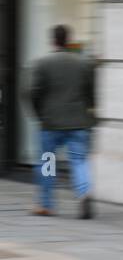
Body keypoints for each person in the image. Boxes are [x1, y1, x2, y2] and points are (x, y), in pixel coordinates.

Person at [27, 24, 95, 218]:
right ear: (68, 40)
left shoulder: (42, 63)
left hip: (50, 124)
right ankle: (84, 194)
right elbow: (90, 94)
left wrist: (39, 114)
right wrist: (89, 111)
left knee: (47, 163)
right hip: (78, 122)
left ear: (53, 41)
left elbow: (33, 92)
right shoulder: (83, 63)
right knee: (80, 161)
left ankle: (46, 204)